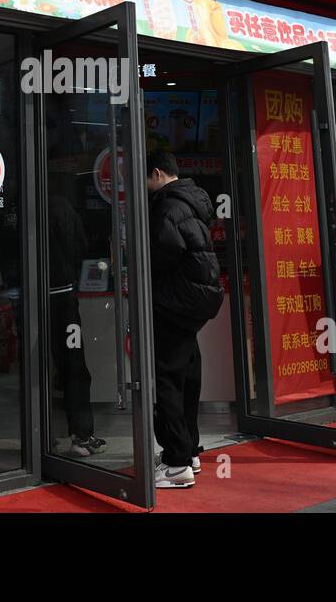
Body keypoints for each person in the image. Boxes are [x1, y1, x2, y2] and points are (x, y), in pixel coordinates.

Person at [145, 149, 222, 489]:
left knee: (167, 379)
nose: (144, 186)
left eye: (145, 178)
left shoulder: (166, 205)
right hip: (196, 300)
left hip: (174, 302)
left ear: (157, 173)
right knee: (187, 376)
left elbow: (162, 253)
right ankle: (189, 450)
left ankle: (176, 463)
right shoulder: (193, 200)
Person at [47, 192, 104, 457]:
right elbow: (80, 246)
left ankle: (41, 434)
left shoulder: (21, 202)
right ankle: (81, 435)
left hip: (30, 297)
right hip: (62, 295)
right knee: (74, 365)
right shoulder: (62, 205)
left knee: (36, 368)